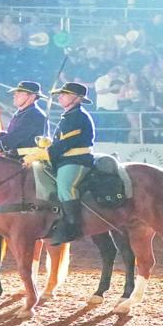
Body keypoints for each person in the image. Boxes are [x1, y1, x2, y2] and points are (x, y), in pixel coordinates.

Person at [43, 81, 95, 246]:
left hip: (77, 160)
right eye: (61, 94)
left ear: (77, 98)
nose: (60, 97)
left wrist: (47, 152)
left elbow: (66, 144)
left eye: (64, 94)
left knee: (66, 186)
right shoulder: (68, 116)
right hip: (64, 159)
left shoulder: (78, 117)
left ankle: (73, 226)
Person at [0, 80, 46, 156]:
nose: (15, 96)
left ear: (32, 96)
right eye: (15, 93)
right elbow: (11, 136)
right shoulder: (21, 113)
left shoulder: (35, 115)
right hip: (16, 159)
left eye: (20, 93)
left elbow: (15, 138)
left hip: (29, 161)